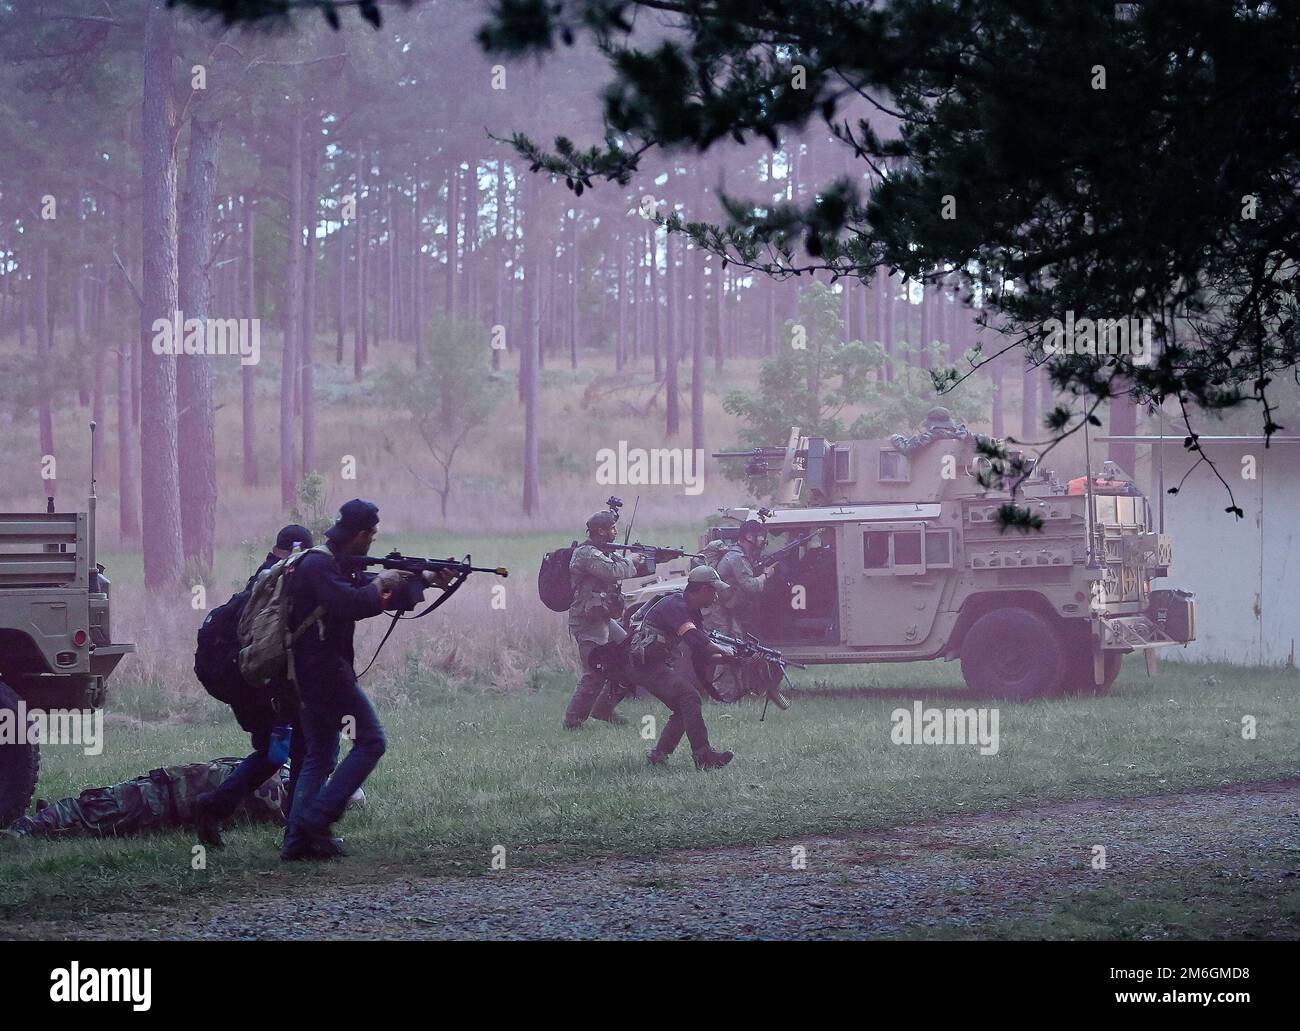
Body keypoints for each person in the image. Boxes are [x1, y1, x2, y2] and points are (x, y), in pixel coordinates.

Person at [281, 499, 443, 861]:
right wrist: (385, 582)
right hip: (322, 675)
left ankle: (298, 844)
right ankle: (317, 821)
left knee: (320, 754)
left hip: (309, 675)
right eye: (370, 535)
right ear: (360, 534)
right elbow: (354, 602)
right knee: (371, 741)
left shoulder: (333, 564)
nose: (372, 542)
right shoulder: (318, 565)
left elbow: (372, 591)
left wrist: (425, 580)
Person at [193, 524, 314, 849]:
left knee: (274, 754)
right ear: (296, 551)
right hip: (256, 686)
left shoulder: (266, 577)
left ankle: (214, 808)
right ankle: (299, 828)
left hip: (246, 683)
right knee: (298, 746)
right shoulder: (276, 583)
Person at [623, 566, 742, 770]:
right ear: (703, 589)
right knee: (690, 698)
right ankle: (703, 756)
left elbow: (701, 651)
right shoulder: (676, 605)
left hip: (649, 664)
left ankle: (659, 756)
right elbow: (695, 639)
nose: (716, 596)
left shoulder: (690, 611)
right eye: (713, 591)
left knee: (684, 707)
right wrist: (723, 649)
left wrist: (731, 658)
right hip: (642, 665)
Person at [4, 759, 288, 840]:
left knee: (97, 811)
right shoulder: (276, 780)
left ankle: (41, 822)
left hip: (164, 799)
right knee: (96, 808)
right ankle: (38, 822)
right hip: (162, 795)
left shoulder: (275, 775)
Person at [563, 509, 646, 729]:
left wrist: (654, 558)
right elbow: (613, 572)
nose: (615, 532)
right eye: (612, 528)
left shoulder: (605, 552)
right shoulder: (587, 554)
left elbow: (624, 568)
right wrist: (631, 560)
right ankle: (573, 721)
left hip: (603, 617)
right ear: (601, 531)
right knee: (595, 672)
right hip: (587, 620)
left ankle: (604, 708)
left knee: (629, 655)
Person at [708, 520, 788, 708]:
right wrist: (766, 575)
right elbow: (751, 586)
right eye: (760, 536)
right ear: (749, 537)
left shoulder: (742, 555)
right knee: (726, 651)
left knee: (737, 650)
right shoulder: (736, 558)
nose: (763, 540)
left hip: (727, 609)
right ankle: (722, 696)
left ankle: (736, 691)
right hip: (718, 611)